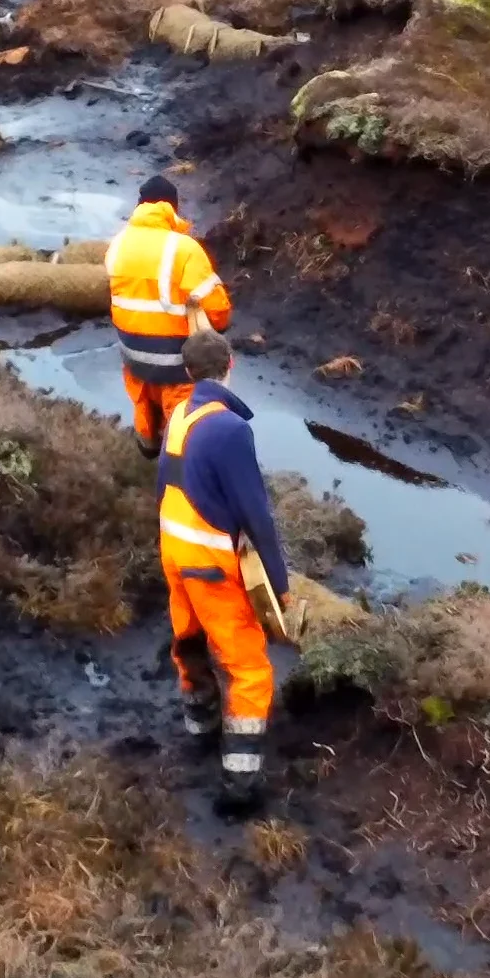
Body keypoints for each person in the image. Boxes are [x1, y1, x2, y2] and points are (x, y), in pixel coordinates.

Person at [155, 324, 290, 815]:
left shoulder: (180, 416)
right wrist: (280, 586)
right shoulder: (230, 428)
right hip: (210, 566)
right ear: (230, 365)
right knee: (251, 671)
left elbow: (162, 488)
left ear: (189, 373)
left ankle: (199, 733)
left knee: (189, 646)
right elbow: (257, 514)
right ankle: (239, 785)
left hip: (173, 552)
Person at [103, 172, 232, 456]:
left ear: (140, 206)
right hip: (175, 363)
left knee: (145, 406)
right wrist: (217, 331)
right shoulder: (183, 248)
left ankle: (147, 448)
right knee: (181, 425)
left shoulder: (118, 244)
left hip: (134, 357)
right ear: (172, 208)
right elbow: (218, 308)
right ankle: (178, 467)